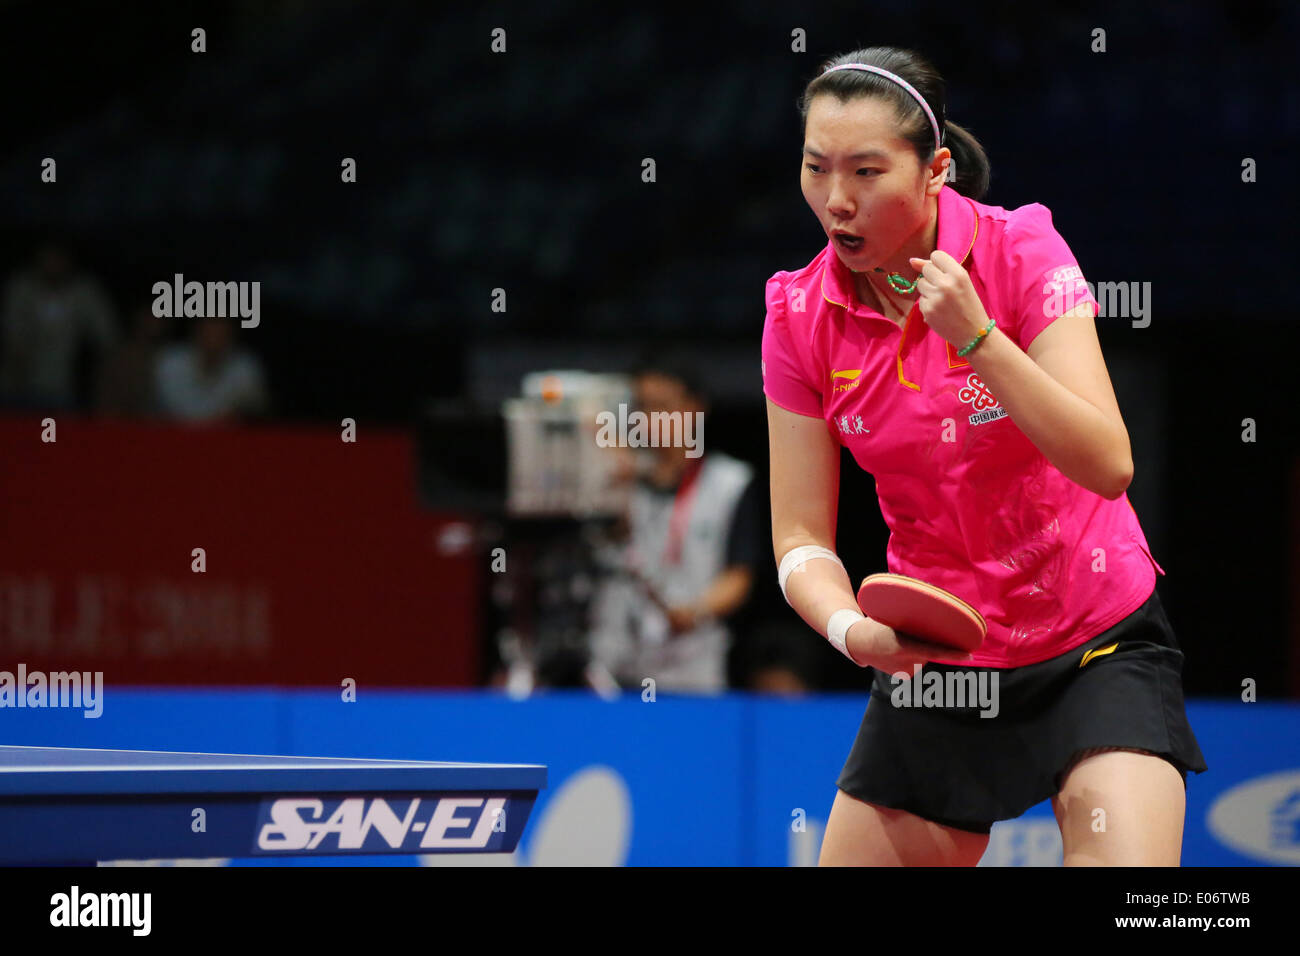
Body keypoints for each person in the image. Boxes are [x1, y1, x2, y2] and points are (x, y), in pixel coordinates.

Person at [761, 46, 1206, 866]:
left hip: (1091, 640)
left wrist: (978, 338)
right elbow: (799, 535)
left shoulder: (1022, 250)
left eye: (866, 172)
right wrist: (853, 631)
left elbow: (1108, 462)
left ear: (935, 171)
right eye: (817, 168)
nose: (836, 199)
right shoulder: (797, 314)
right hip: (942, 654)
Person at [587, 355, 761, 693]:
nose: (650, 420)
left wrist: (695, 611)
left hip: (692, 673)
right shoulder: (611, 481)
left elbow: (739, 576)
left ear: (695, 408)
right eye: (641, 407)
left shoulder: (729, 483)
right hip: (613, 672)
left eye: (662, 407)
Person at [0, 241, 117, 409]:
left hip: (61, 389)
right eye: (48, 257)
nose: (53, 264)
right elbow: (12, 334)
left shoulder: (84, 292)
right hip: (14, 386)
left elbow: (107, 337)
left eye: (58, 258)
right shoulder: (21, 287)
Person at [155, 315, 268, 422]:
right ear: (196, 328)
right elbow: (173, 414)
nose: (215, 333)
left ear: (232, 331)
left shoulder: (245, 368)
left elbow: (254, 412)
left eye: (221, 326)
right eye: (210, 324)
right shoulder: (170, 363)